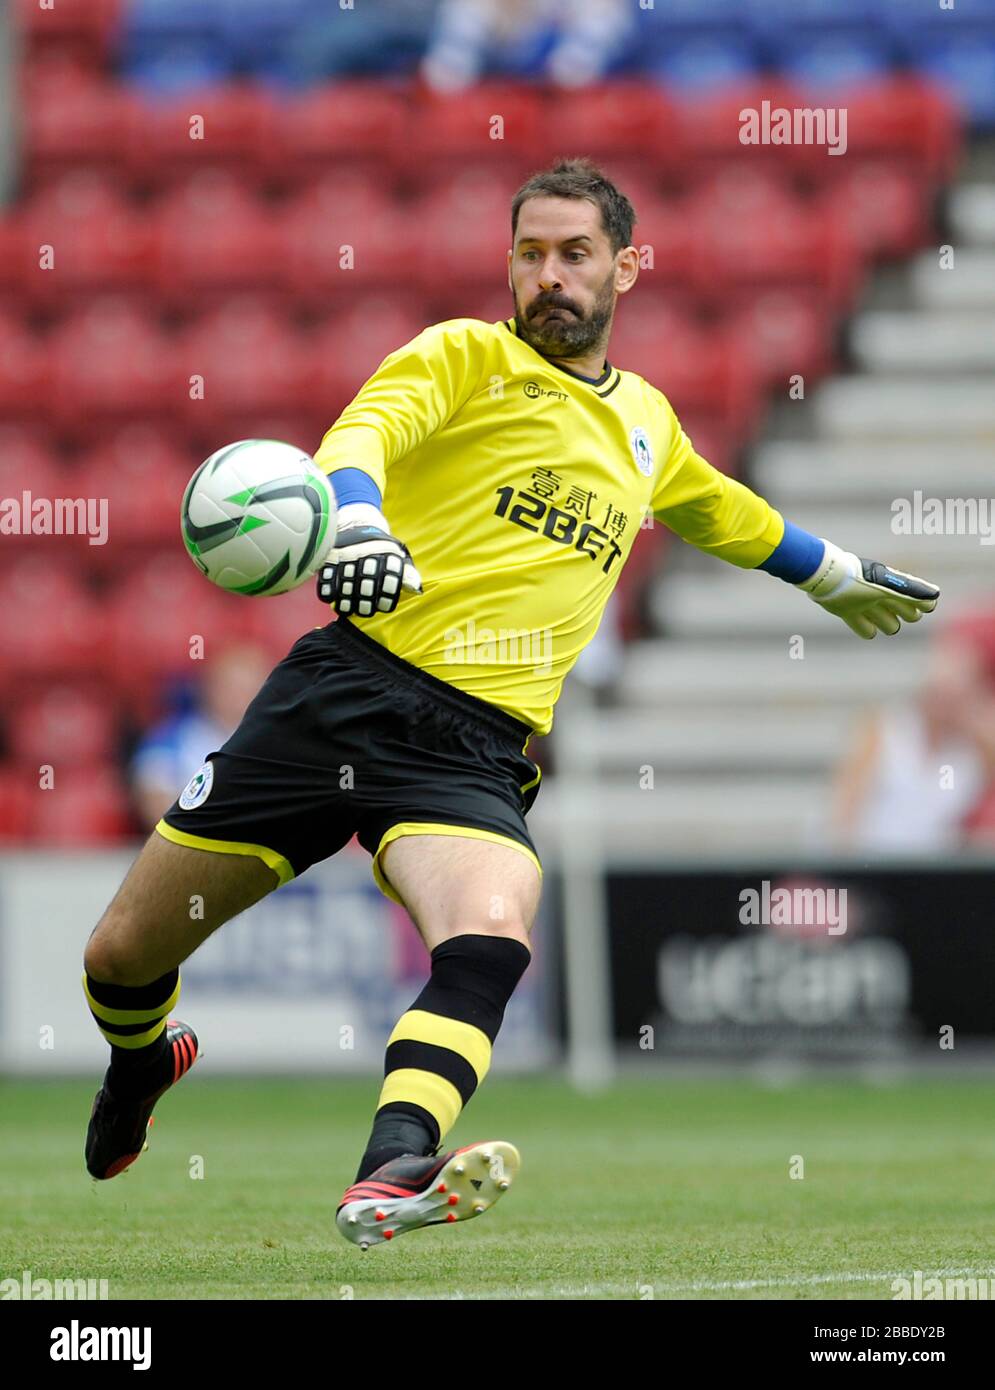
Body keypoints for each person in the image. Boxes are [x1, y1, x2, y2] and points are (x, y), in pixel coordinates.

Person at [81, 158, 939, 1248]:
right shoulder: (463, 354)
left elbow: (718, 510)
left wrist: (829, 572)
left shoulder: (643, 424)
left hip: (471, 750)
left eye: (574, 253)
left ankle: (389, 1165)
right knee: (120, 956)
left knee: (490, 931)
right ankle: (143, 1060)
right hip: (342, 695)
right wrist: (356, 524)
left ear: (626, 266)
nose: (549, 275)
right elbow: (362, 438)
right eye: (530, 253)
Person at [832, 631, 995, 852]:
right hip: (870, 863)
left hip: (933, 873)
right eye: (938, 693)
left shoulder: (973, 750)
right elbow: (846, 810)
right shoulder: (883, 730)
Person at [129, 642, 271, 832]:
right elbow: (156, 804)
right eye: (232, 687)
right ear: (209, 687)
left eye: (250, 687)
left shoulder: (285, 740)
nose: (240, 697)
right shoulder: (169, 740)